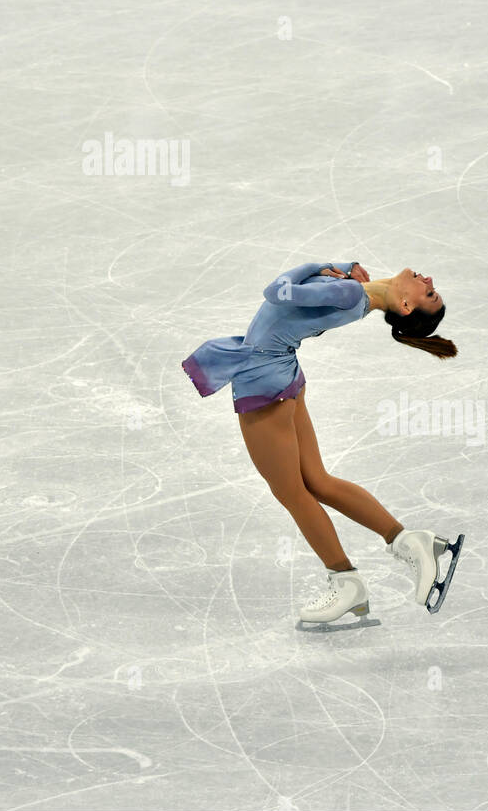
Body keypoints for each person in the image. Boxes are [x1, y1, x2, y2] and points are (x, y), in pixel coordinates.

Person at [182, 261, 463, 623]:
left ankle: (345, 582)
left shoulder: (349, 294)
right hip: (280, 371)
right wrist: (343, 267)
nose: (428, 280)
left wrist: (320, 266)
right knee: (317, 481)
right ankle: (410, 542)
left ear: (406, 307)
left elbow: (276, 291)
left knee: (292, 493)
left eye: (429, 292)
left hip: (265, 380)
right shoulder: (357, 292)